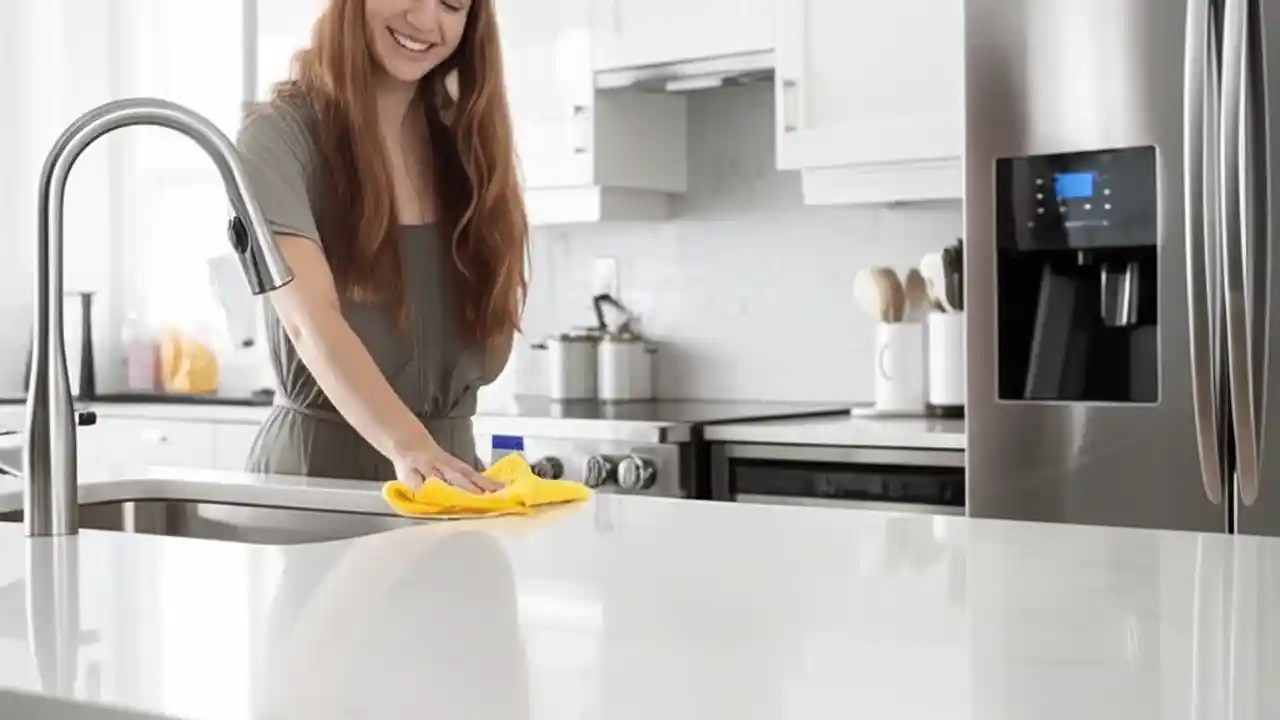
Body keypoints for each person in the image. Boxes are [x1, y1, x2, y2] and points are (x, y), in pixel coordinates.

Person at [235, 0, 527, 494]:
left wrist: (439, 460)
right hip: (313, 488)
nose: (426, 19)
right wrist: (413, 448)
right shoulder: (277, 138)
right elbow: (310, 322)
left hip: (447, 488)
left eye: (453, 4)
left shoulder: (468, 150)